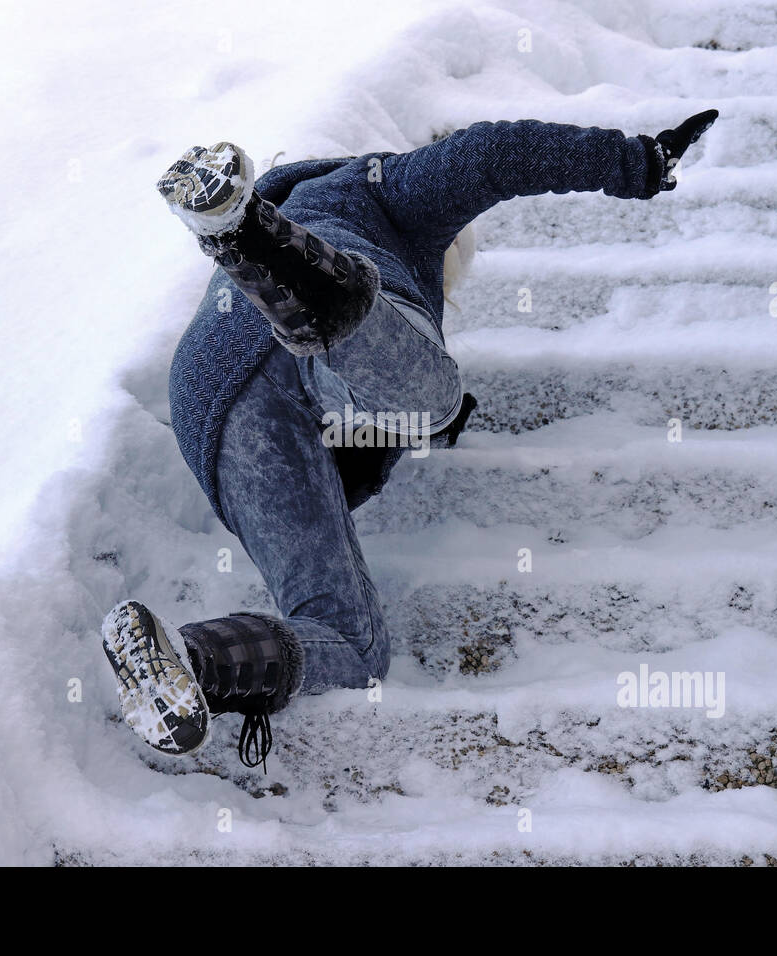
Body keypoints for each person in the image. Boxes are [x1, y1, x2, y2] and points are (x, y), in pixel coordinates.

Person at [103, 112, 719, 771]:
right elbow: (491, 155)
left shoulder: (279, 251)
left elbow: (346, 449)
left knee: (355, 645)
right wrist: (639, 161)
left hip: (212, 399)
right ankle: (314, 288)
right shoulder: (378, 187)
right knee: (431, 397)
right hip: (313, 337)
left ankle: (192, 663)